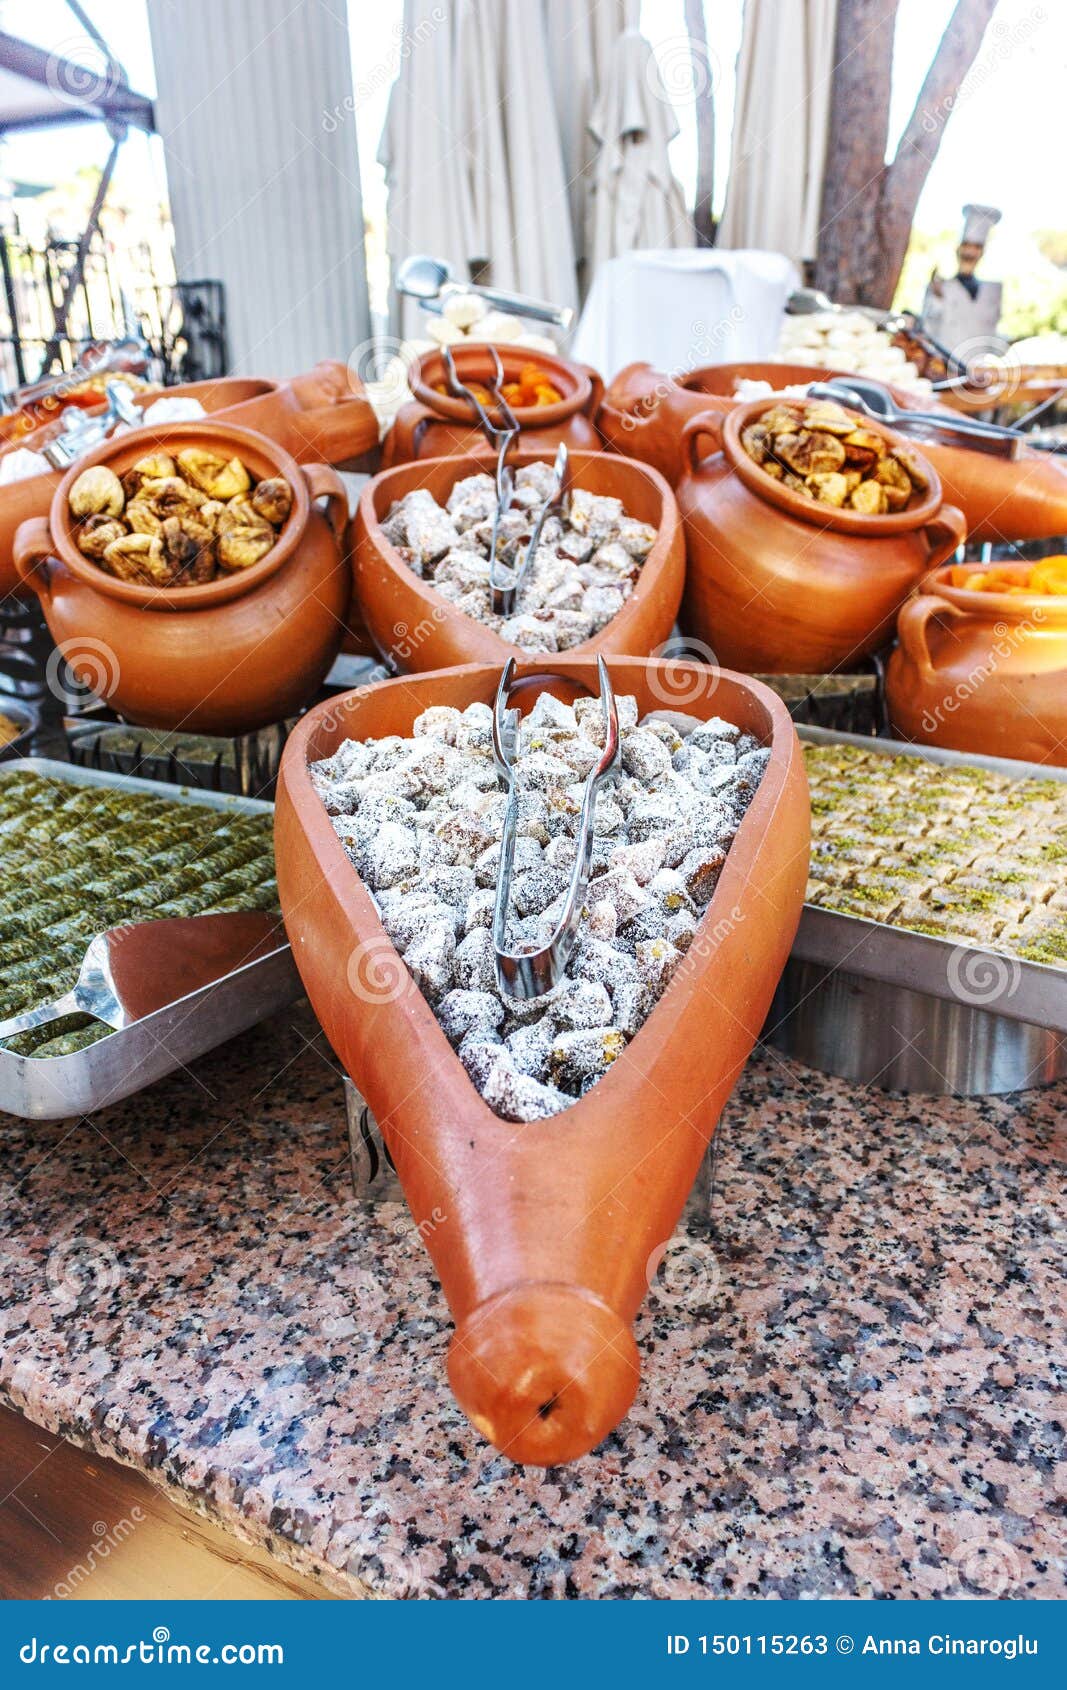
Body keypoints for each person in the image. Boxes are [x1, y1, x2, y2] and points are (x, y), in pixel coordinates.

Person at [922, 204, 1004, 356]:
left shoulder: (993, 292)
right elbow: (926, 329)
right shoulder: (940, 287)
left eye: (977, 247)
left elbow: (992, 335)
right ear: (958, 249)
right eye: (966, 245)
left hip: (979, 368)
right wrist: (937, 298)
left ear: (982, 252)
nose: (970, 252)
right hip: (942, 364)